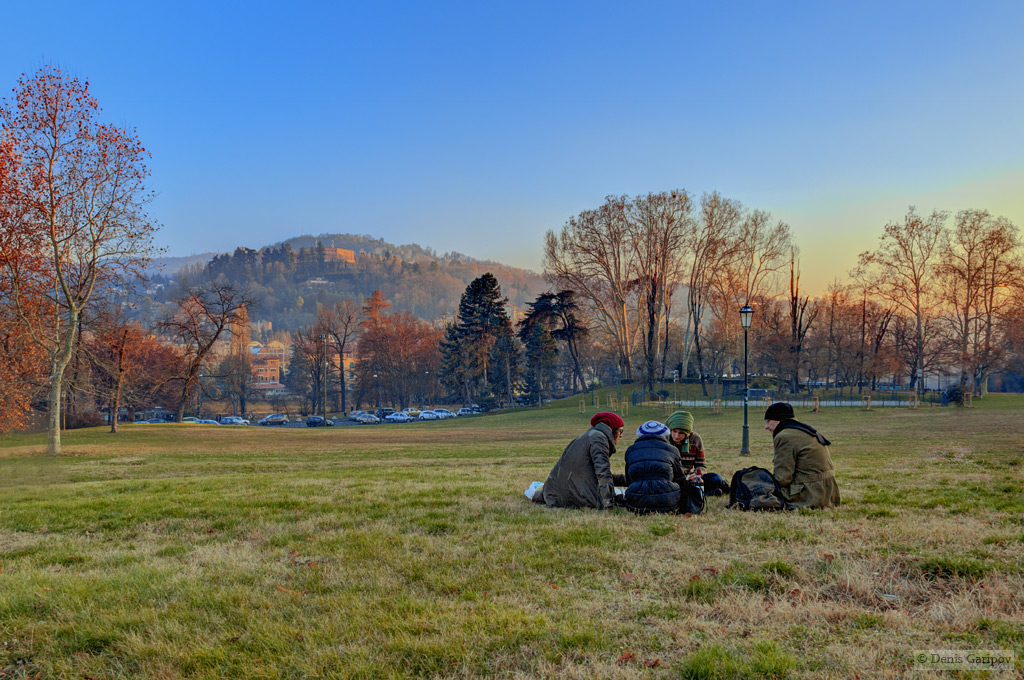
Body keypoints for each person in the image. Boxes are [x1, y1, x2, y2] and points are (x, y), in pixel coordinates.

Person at [533, 412, 625, 510]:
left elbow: (589, 474)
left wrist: (628, 480)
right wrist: (608, 503)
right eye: (621, 431)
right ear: (612, 430)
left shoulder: (584, 437)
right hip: (576, 497)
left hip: (554, 495)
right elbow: (603, 473)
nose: (621, 436)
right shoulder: (599, 439)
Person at [763, 402, 841, 509]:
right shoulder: (802, 430)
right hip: (829, 493)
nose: (766, 427)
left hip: (810, 495)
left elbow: (782, 478)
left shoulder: (784, 436)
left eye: (768, 421)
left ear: (779, 419)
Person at [620, 420, 688, 514]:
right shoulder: (672, 450)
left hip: (636, 504)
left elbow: (629, 480)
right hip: (668, 503)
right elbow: (680, 479)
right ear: (664, 435)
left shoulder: (630, 451)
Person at [666, 411, 707, 479]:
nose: (677, 436)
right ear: (670, 430)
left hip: (688, 477)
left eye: (681, 433)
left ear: (687, 433)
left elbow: (701, 465)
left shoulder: (695, 440)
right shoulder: (665, 440)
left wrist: (697, 474)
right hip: (668, 477)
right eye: (674, 431)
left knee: (715, 478)